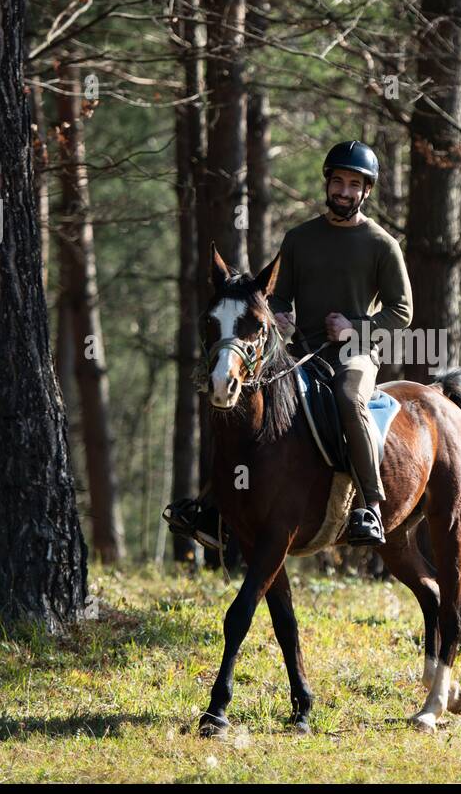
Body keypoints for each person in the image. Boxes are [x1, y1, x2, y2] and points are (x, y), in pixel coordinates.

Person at [166, 139, 413, 549]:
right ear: (328, 184)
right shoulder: (299, 238)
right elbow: (277, 295)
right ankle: (215, 507)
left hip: (356, 353)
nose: (344, 192)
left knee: (349, 399)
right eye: (338, 182)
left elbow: (401, 313)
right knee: (241, 399)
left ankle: (370, 505)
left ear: (366, 191)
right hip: (299, 350)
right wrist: (278, 313)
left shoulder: (382, 244)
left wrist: (352, 326)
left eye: (354, 184)